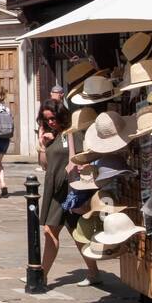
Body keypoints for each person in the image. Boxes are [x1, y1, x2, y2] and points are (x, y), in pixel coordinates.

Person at [37, 100, 100, 286]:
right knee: (73, 232)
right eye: (46, 119)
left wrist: (74, 168)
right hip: (54, 189)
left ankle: (42, 275)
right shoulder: (53, 136)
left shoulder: (72, 134)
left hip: (69, 189)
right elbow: (45, 165)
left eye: (53, 118)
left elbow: (82, 158)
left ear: (61, 115)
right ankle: (94, 273)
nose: (50, 122)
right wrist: (42, 145)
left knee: (52, 231)